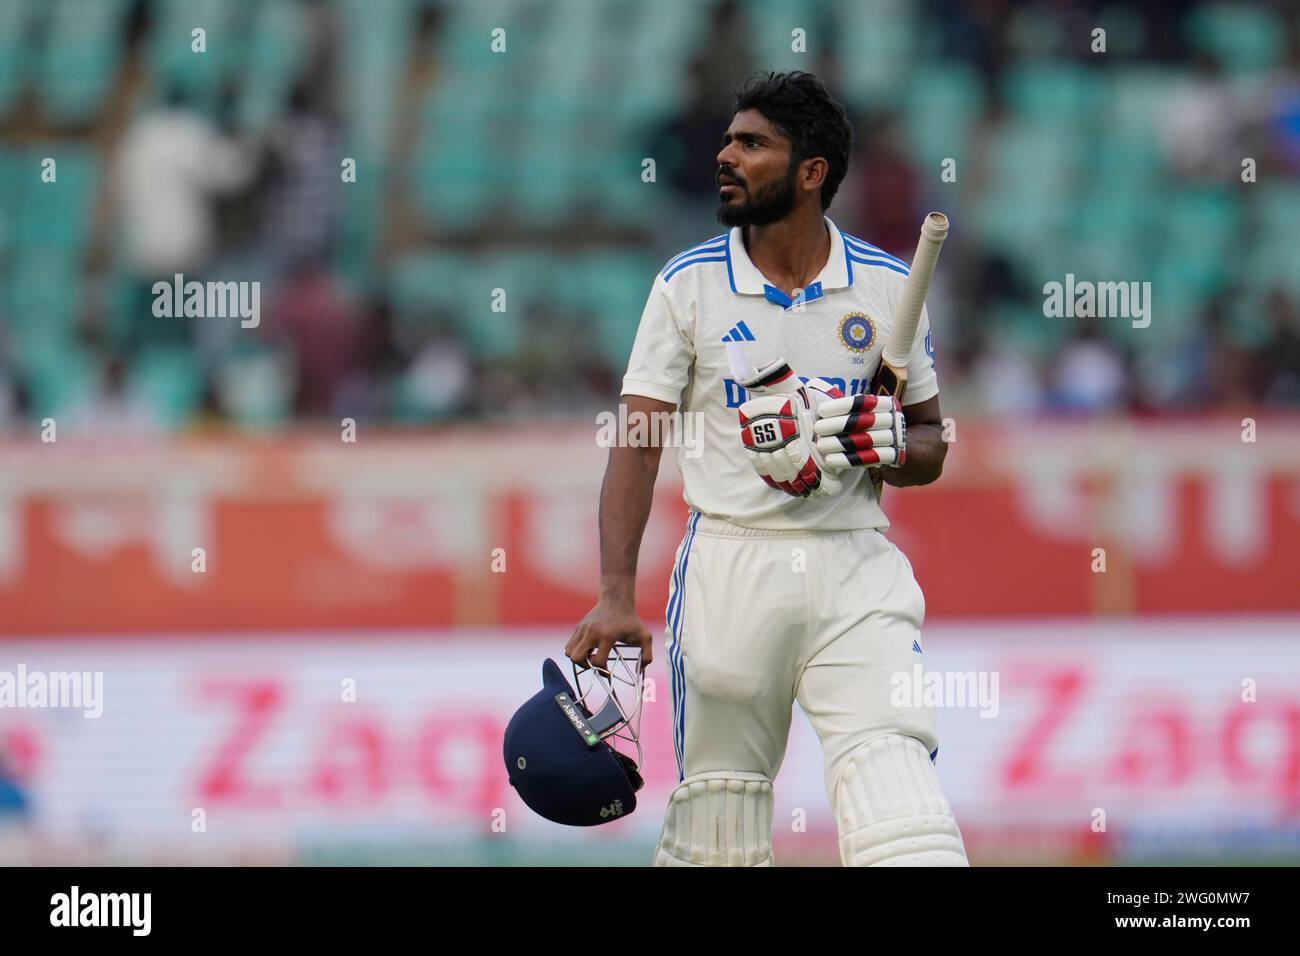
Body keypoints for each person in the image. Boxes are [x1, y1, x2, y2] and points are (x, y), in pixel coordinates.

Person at [565, 72, 969, 867]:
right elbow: (638, 440)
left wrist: (884, 440)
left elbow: (931, 445)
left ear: (812, 171)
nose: (725, 155)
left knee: (904, 816)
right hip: (729, 569)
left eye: (751, 144)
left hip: (856, 568)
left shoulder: (888, 286)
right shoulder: (688, 284)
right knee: (720, 829)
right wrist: (615, 595)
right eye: (728, 138)